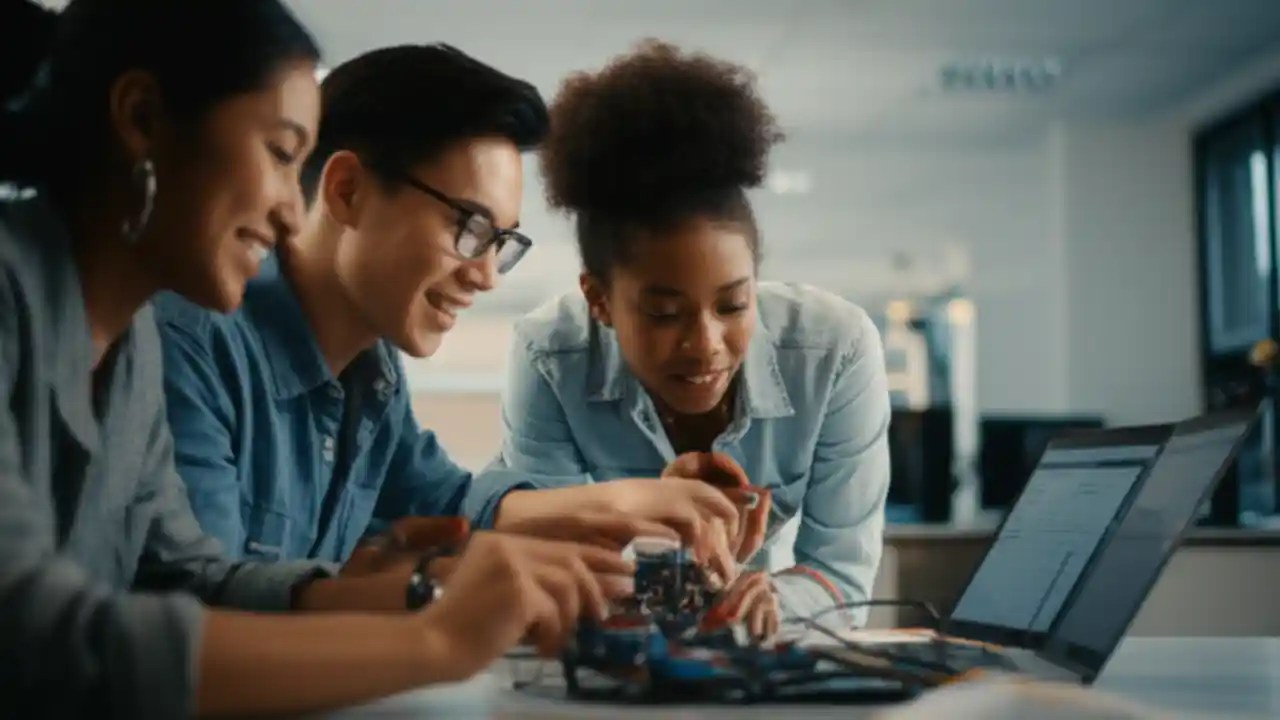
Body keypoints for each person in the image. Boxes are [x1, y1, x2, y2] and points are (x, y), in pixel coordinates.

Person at [0, 2, 633, 717]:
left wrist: (425, 589)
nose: (288, 212)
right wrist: (433, 641)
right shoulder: (47, 305)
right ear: (142, 117)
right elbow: (37, 640)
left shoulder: (131, 345)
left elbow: (196, 581)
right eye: (279, 155)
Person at [153, 43, 744, 571]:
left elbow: (451, 503)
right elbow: (204, 610)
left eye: (500, 242)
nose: (485, 275)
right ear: (347, 191)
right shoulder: (193, 343)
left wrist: (633, 502)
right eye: (470, 227)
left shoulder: (372, 372)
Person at [463, 41, 893, 638]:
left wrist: (770, 600)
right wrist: (665, 554)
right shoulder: (549, 357)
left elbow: (842, 575)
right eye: (664, 314)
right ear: (599, 300)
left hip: (758, 652)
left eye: (733, 305)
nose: (706, 344)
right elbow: (554, 569)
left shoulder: (834, 352)